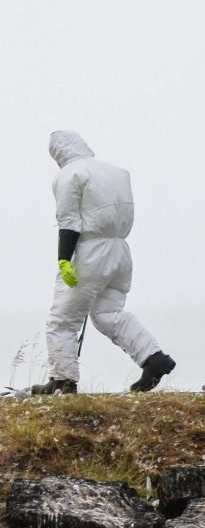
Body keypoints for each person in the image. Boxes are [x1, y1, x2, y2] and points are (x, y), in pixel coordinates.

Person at [33, 131, 174, 395]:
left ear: (58, 153)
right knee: (109, 314)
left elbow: (69, 221)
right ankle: (154, 358)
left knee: (62, 320)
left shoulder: (70, 174)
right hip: (120, 251)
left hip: (90, 252)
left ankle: (63, 381)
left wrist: (64, 259)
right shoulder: (117, 172)